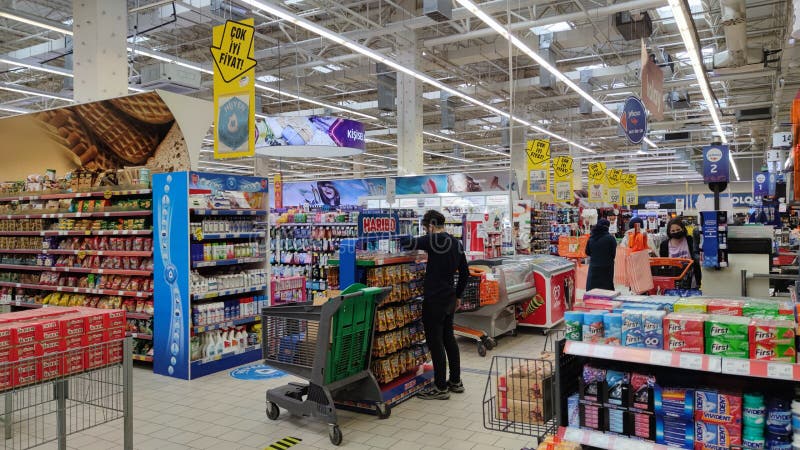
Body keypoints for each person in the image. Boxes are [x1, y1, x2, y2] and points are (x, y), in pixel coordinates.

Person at [402, 210, 469, 400]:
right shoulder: (456, 243)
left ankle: (440, 386)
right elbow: (465, 272)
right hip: (448, 297)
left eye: (425, 228)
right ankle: (455, 381)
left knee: (435, 342)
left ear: (430, 226)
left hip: (434, 299)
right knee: (449, 338)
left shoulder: (433, 240)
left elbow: (407, 242)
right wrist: (458, 296)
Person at [659, 217, 702, 288]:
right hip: (672, 282)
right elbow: (664, 264)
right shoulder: (664, 245)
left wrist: (698, 281)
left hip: (692, 281)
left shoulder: (690, 240)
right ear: (669, 232)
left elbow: (696, 259)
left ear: (683, 228)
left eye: (678, 229)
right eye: (673, 231)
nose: (676, 232)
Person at [585, 219, 616, 291]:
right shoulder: (611, 238)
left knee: (592, 289)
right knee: (606, 289)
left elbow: (587, 252)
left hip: (594, 267)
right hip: (607, 267)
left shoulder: (591, 238)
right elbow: (613, 254)